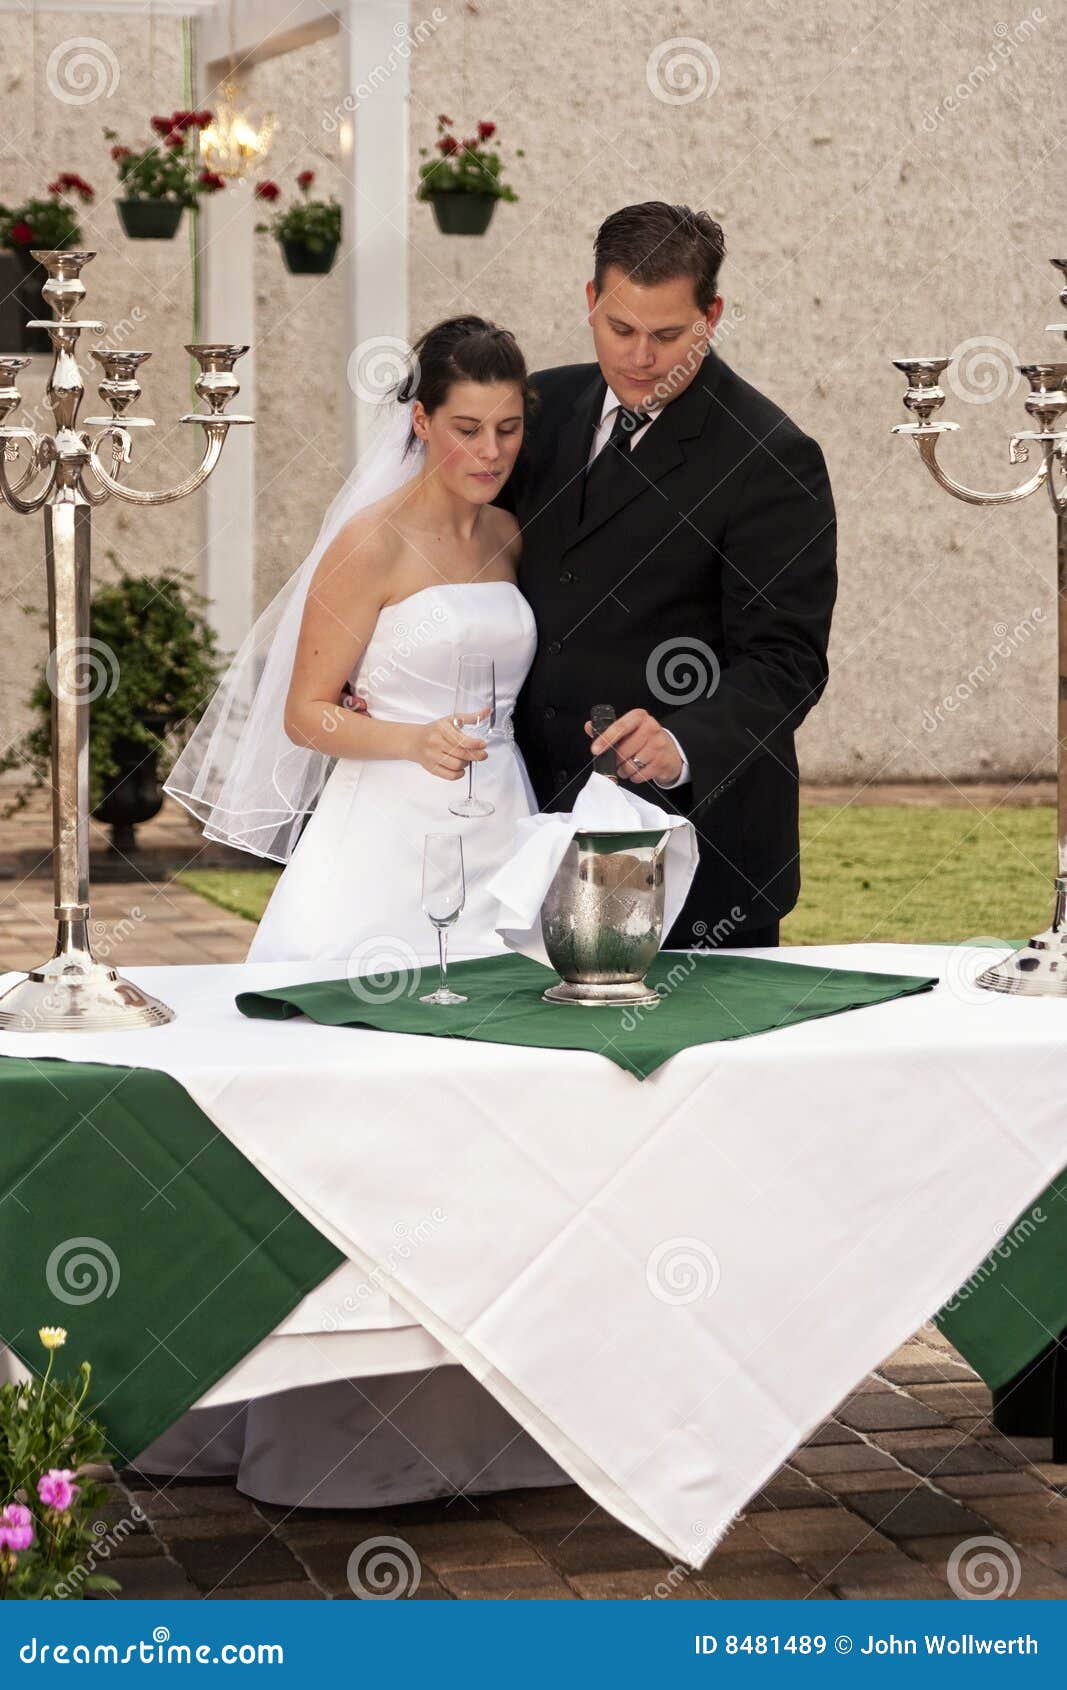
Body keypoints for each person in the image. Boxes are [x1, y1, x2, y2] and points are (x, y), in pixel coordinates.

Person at [498, 201, 838, 951]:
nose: (641, 357)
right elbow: (461, 544)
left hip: (697, 851)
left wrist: (682, 740)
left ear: (711, 315)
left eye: (668, 334)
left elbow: (787, 662)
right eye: (620, 329)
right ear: (590, 301)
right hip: (524, 830)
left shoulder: (771, 455)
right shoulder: (535, 412)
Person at [164, 317, 540, 967]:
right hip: (388, 831)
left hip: (502, 817)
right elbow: (304, 714)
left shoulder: (509, 534)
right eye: (467, 430)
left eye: (507, 430)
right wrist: (412, 740)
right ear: (421, 422)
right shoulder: (371, 543)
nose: (490, 452)